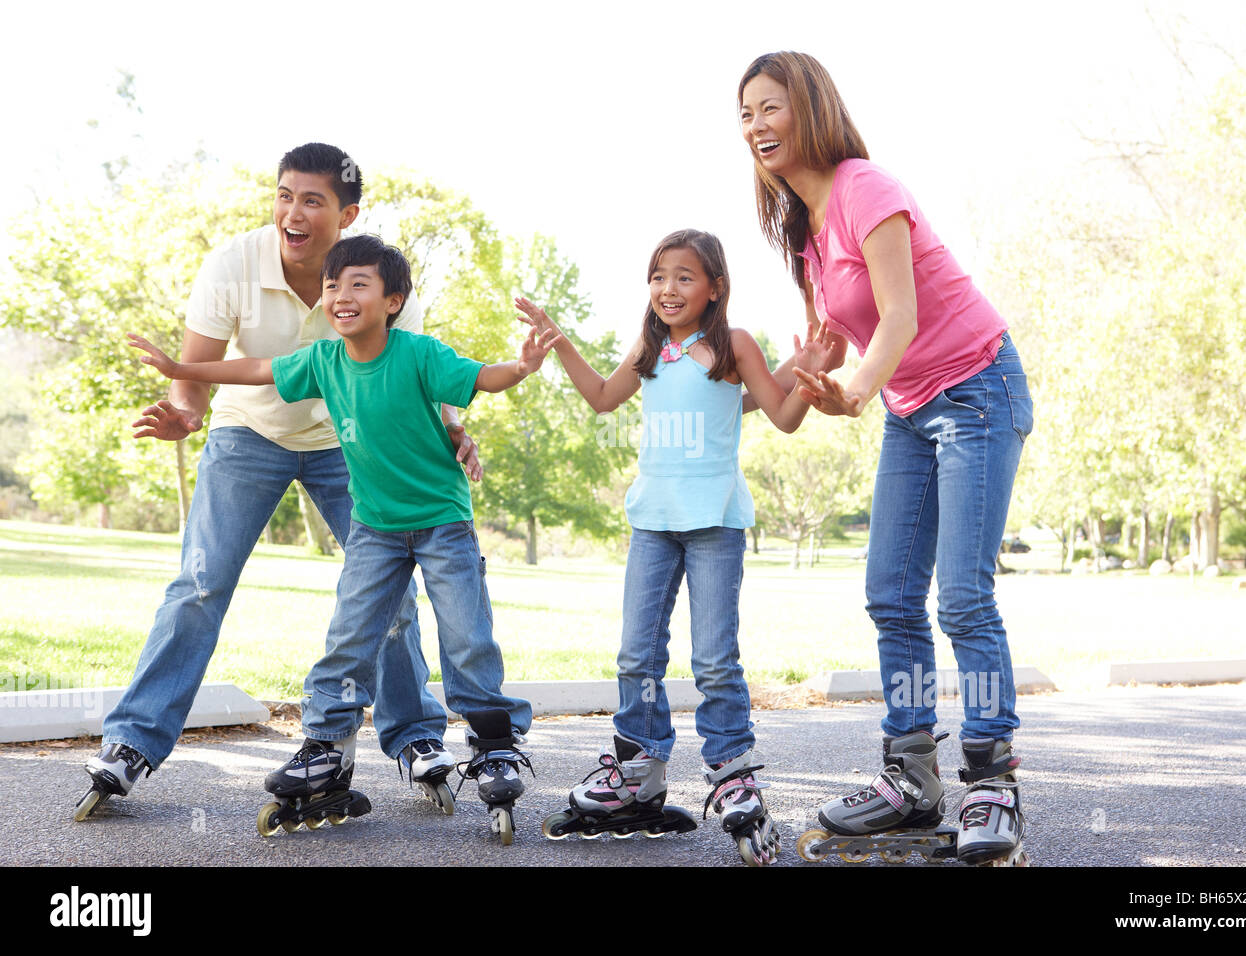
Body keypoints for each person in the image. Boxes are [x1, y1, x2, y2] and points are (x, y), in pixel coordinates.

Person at [76, 144, 480, 821]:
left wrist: (451, 432)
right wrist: (184, 412)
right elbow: (199, 368)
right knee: (199, 585)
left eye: (312, 200)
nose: (293, 212)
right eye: (285, 195)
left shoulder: (378, 278)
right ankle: (131, 741)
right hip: (247, 433)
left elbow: (417, 378)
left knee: (390, 592)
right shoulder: (233, 263)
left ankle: (415, 740)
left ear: (347, 214)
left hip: (351, 441)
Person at [128, 234, 549, 836]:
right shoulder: (324, 361)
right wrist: (180, 369)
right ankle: (325, 743)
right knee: (348, 636)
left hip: (441, 523)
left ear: (393, 300)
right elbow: (254, 369)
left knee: (466, 634)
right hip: (375, 529)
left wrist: (524, 365)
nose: (341, 295)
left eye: (358, 284)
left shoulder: (420, 354)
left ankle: (492, 739)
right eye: (333, 285)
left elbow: (484, 377)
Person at [738, 52, 1034, 865]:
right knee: (892, 597)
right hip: (910, 412)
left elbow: (899, 315)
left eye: (771, 107)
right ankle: (911, 775)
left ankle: (990, 779)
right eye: (746, 115)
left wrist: (858, 387)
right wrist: (817, 367)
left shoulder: (865, 185)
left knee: (963, 600)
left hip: (977, 390)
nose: (757, 126)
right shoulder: (805, 238)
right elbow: (836, 346)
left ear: (809, 107)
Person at [516, 228, 833, 866]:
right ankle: (640, 768)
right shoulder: (652, 345)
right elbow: (603, 398)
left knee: (715, 658)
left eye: (684, 276)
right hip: (653, 521)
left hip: (714, 520)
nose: (668, 288)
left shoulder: (734, 343)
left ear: (714, 286)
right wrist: (561, 344)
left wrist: (815, 369)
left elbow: (783, 414)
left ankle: (733, 769)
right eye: (659, 276)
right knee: (637, 654)